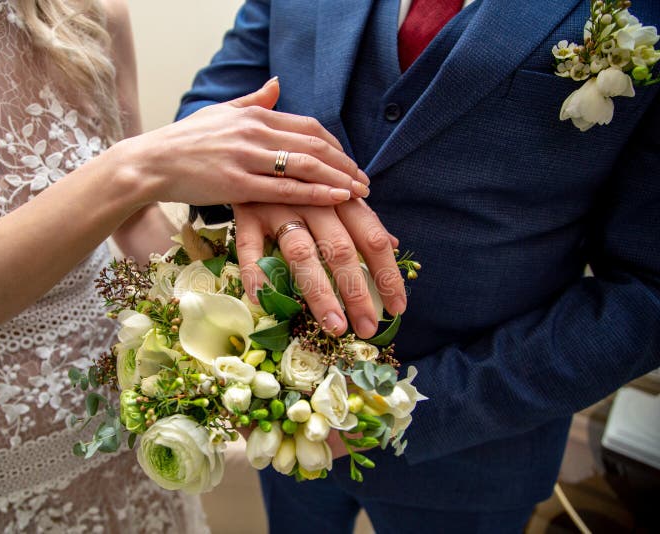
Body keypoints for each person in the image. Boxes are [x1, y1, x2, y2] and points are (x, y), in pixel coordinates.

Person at [0, 0, 370, 531]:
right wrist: (132, 167)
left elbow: (135, 222)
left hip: (130, 425)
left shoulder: (88, 12)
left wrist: (259, 353)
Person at [177, 0, 660, 532]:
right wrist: (252, 185)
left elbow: (647, 292)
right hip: (277, 401)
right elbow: (206, 109)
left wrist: (399, 407)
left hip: (472, 455)